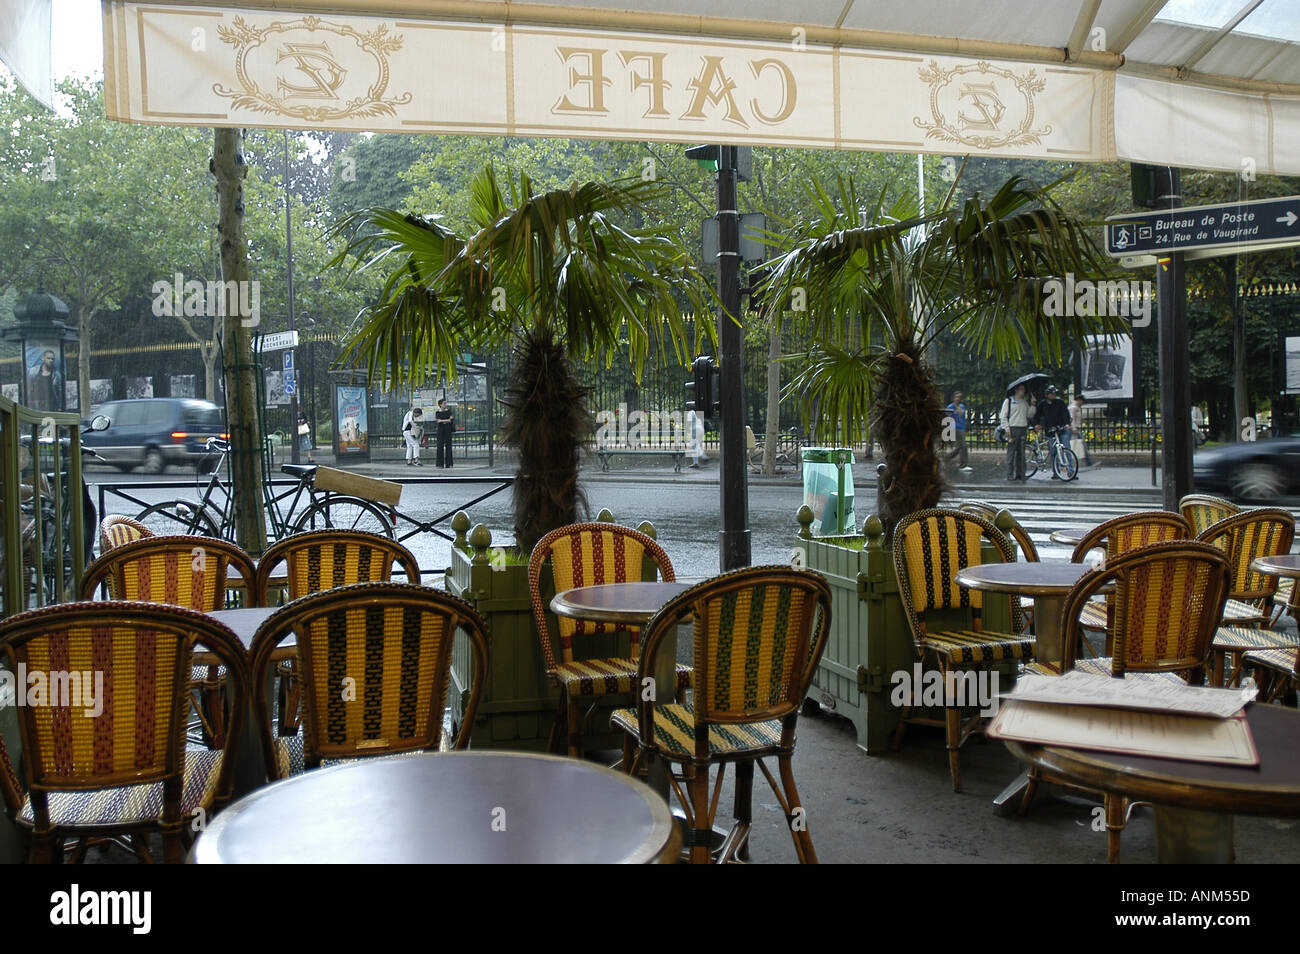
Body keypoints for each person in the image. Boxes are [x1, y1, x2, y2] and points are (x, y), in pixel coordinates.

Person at [999, 384, 1036, 480]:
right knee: (1011, 452)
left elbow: (1029, 415)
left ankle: (1021, 473)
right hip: (1013, 429)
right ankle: (1010, 474)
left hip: (1023, 428)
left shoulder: (1024, 402)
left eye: (1024, 390)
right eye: (1022, 389)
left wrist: (1033, 405)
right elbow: (1003, 416)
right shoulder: (1009, 401)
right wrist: (1007, 429)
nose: (1023, 392)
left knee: (1021, 453)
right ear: (1016, 390)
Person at [1038, 385, 1071, 479]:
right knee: (1053, 452)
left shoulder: (1060, 402)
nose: (1054, 395)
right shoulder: (1043, 404)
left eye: (1055, 393)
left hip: (1061, 429)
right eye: (1052, 394)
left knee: (1066, 449)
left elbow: (1065, 413)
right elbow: (1038, 415)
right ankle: (1056, 472)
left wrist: (1067, 423)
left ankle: (1071, 471)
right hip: (1050, 431)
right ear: (1047, 395)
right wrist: (1037, 424)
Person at [943, 391, 971, 471]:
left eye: (960, 397)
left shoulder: (962, 406)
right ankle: (963, 465)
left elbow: (963, 418)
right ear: (953, 398)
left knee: (959, 446)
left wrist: (965, 427)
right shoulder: (950, 407)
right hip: (954, 428)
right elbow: (947, 418)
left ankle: (946, 458)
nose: (958, 399)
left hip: (961, 427)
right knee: (963, 446)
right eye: (957, 397)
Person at [1070, 395, 1095, 467]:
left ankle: (1089, 462)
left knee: (1081, 445)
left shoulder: (1076, 407)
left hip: (1076, 429)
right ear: (1079, 400)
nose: (1082, 403)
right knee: (1081, 445)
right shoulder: (1073, 408)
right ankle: (1089, 462)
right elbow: (1071, 419)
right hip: (1074, 429)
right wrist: (1074, 428)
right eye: (1082, 401)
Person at [435, 398, 455, 468]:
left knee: (448, 446)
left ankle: (449, 463)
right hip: (440, 430)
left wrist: (444, 421)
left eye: (446, 403)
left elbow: (451, 420)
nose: (445, 405)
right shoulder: (437, 412)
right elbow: (438, 421)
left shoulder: (449, 411)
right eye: (444, 403)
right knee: (440, 447)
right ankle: (440, 464)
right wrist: (447, 420)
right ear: (440, 405)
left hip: (448, 430)